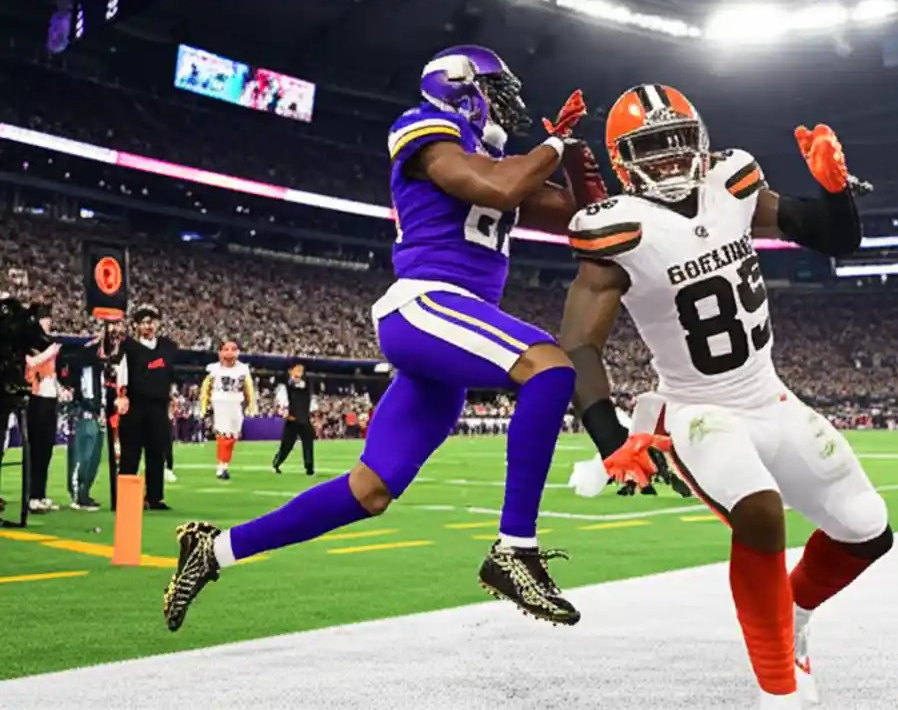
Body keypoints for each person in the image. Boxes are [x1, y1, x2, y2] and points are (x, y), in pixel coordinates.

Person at [163, 44, 604, 632]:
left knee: (370, 490)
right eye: (495, 89)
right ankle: (514, 548)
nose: (505, 103)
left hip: (453, 328)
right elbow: (495, 189)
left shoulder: (498, 158)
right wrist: (552, 146)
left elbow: (587, 220)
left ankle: (212, 551)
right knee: (548, 368)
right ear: (458, 87)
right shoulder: (427, 129)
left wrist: (573, 155)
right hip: (425, 304)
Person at [558, 85, 892, 710]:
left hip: (769, 396)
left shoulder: (731, 187)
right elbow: (578, 344)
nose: (667, 160)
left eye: (677, 143)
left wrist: (834, 188)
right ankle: (778, 690)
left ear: (701, 142)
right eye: (649, 150)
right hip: (698, 407)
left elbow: (835, 239)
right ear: (624, 161)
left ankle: (791, 615)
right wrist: (613, 439)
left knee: (867, 531)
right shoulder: (620, 231)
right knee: (761, 512)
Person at [116, 305, 179, 511]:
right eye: (143, 322)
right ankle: (125, 497)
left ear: (157, 324)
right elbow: (122, 373)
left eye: (151, 322)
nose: (147, 326)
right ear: (136, 325)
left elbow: (173, 374)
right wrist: (122, 397)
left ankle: (155, 497)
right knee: (130, 453)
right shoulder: (129, 347)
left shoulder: (168, 347)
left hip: (159, 406)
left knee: (156, 452)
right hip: (136, 405)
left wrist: (174, 396)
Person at [58, 320, 120, 511]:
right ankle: (77, 495)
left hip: (100, 414)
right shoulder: (84, 364)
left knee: (94, 457)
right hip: (85, 413)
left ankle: (85, 492)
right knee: (81, 456)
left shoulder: (103, 369)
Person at [199, 340, 256, 481]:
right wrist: (204, 406)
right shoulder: (213, 369)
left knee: (232, 436)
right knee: (223, 435)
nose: (229, 353)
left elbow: (248, 387)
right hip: (220, 402)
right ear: (220, 352)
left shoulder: (243, 369)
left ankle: (224, 464)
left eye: (233, 349)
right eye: (226, 349)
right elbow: (205, 388)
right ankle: (221, 467)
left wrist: (251, 405)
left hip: (236, 402)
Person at [24, 303, 61, 514]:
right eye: (45, 318)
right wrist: (49, 352)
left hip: (49, 398)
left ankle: (40, 494)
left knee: (46, 450)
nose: (48, 323)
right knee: (35, 449)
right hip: (36, 399)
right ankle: (31, 496)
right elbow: (30, 363)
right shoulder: (31, 344)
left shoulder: (47, 343)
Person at [271, 363, 315, 476]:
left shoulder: (306, 384)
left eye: (301, 370)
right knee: (287, 444)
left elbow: (308, 395)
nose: (299, 372)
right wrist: (284, 413)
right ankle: (277, 462)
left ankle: (309, 466)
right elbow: (282, 401)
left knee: (308, 443)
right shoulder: (286, 385)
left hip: (304, 418)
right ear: (290, 371)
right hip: (292, 418)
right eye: (297, 370)